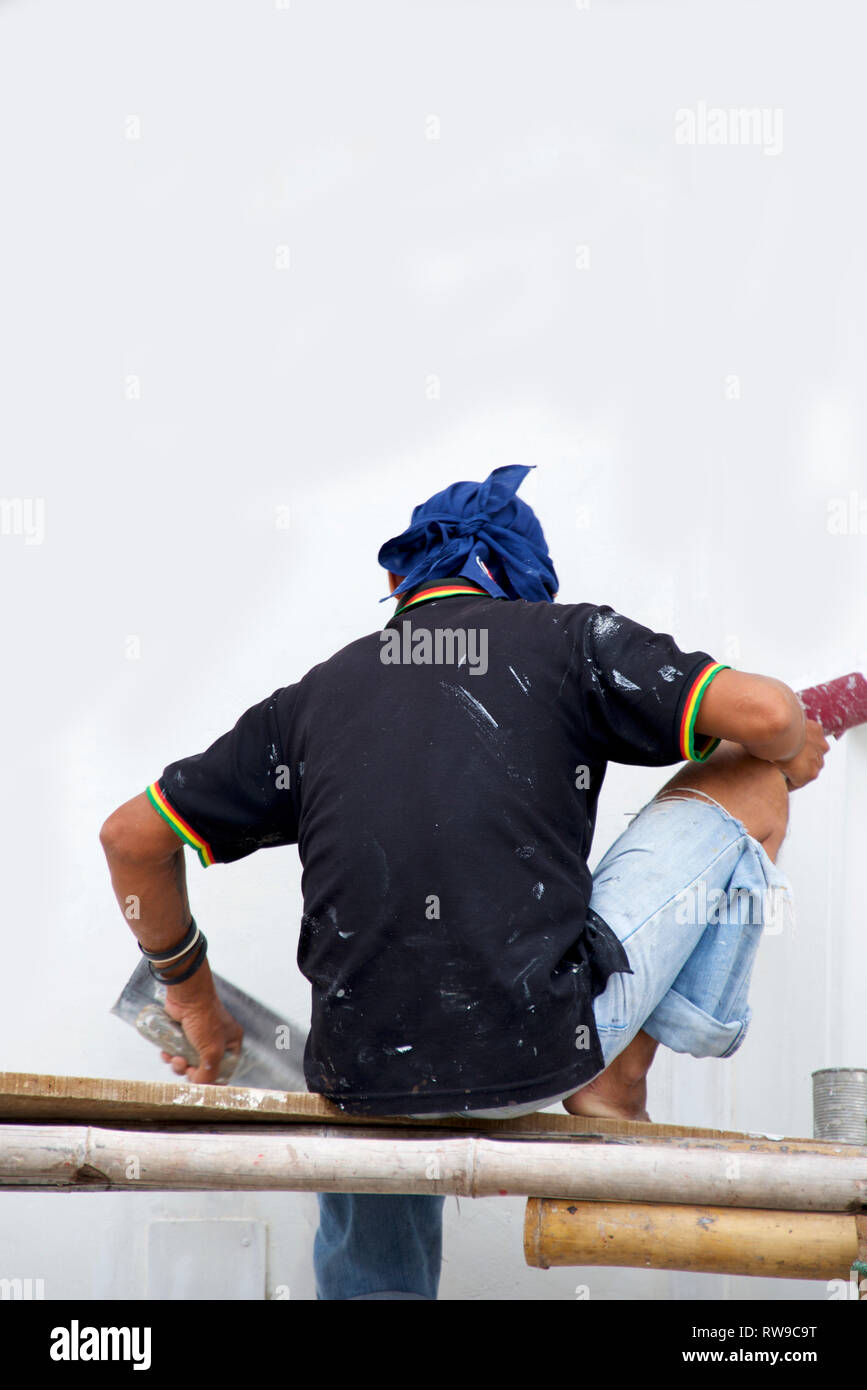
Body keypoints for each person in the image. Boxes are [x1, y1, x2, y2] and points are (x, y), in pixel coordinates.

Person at [99, 464, 829, 1300]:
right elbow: (767, 719)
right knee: (749, 775)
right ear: (526, 580)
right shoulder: (567, 638)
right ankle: (614, 1078)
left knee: (368, 1107)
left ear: (396, 583)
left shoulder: (305, 703)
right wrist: (794, 740)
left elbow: (129, 838)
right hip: (545, 1043)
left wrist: (190, 995)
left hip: (365, 1078)